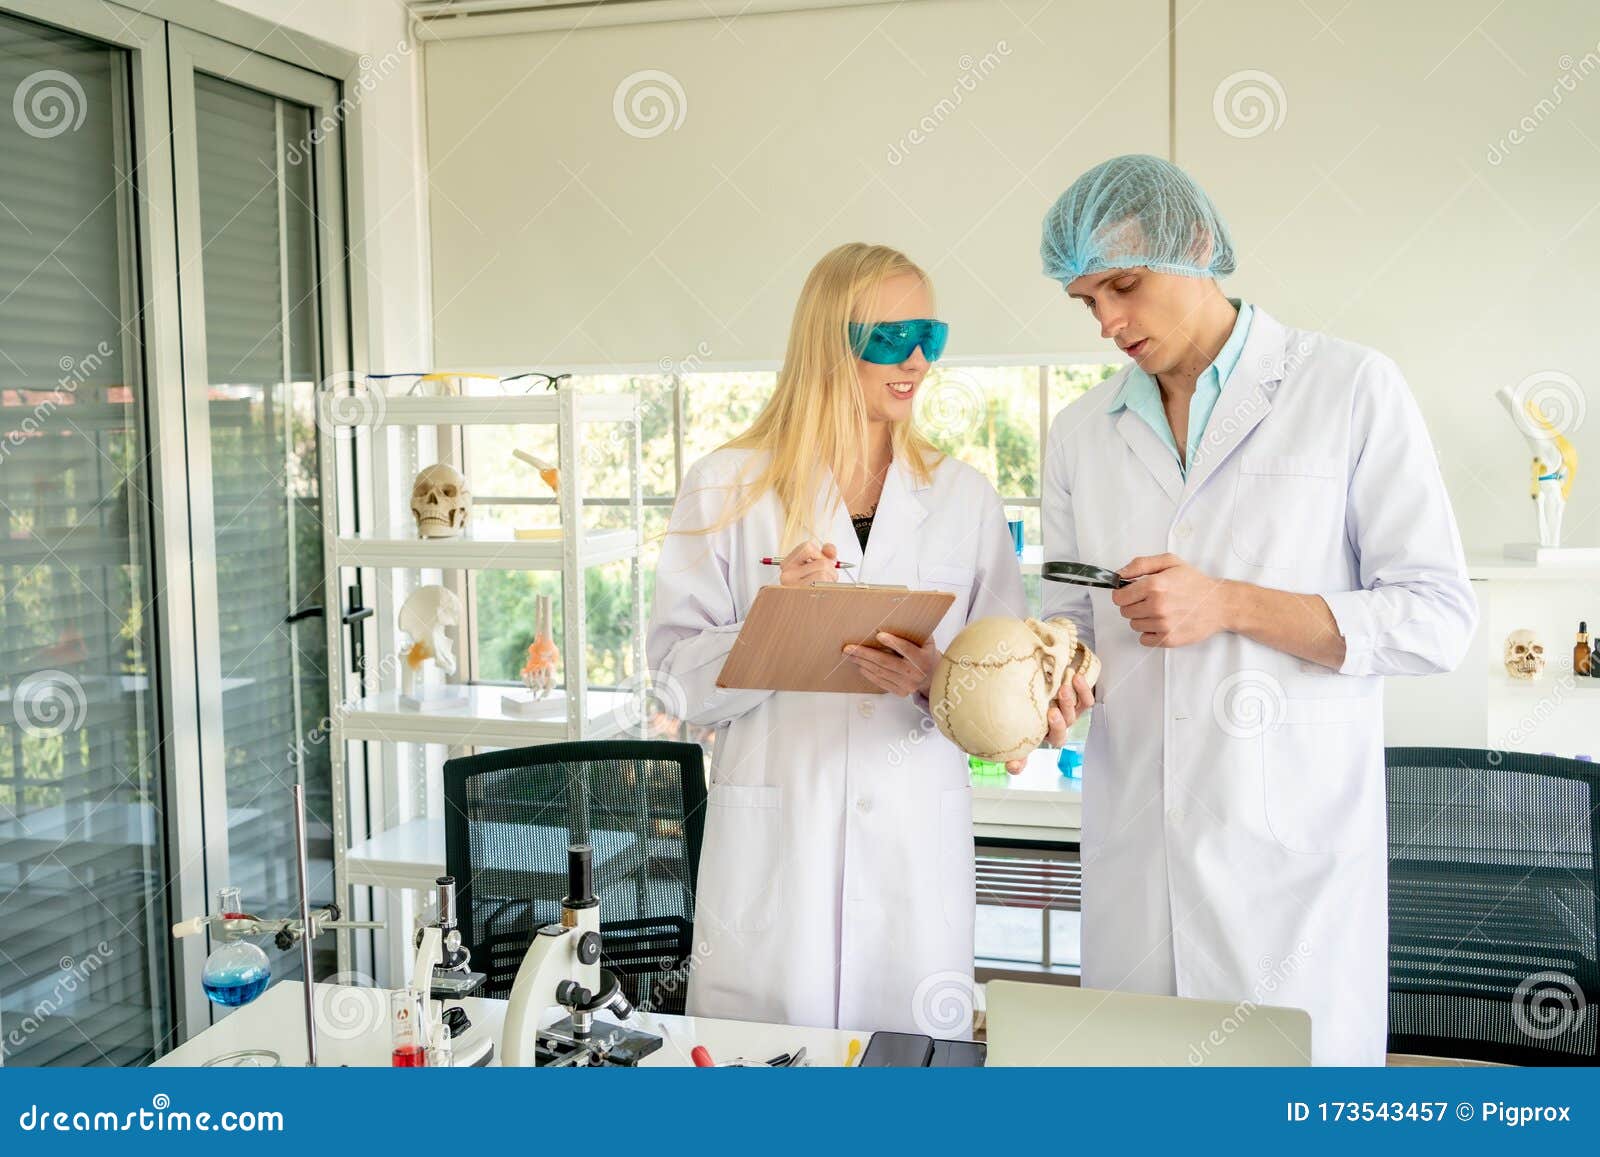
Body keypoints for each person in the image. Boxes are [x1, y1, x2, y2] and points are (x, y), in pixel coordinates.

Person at [1021, 155, 1476, 1065]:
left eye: (1123, 285)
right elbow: (1069, 619)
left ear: (1194, 247)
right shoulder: (1080, 432)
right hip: (1136, 868)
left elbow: (1436, 617)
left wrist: (1227, 603)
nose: (1107, 322)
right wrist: (1053, 682)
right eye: (1086, 301)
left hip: (1290, 881)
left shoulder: (1348, 389)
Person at [646, 242, 1026, 1035]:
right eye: (890, 338)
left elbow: (1009, 698)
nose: (918, 359)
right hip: (777, 854)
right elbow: (677, 684)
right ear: (827, 340)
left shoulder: (963, 498)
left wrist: (932, 679)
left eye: (932, 335)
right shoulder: (727, 485)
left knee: (909, 1076)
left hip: (912, 855)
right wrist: (776, 618)